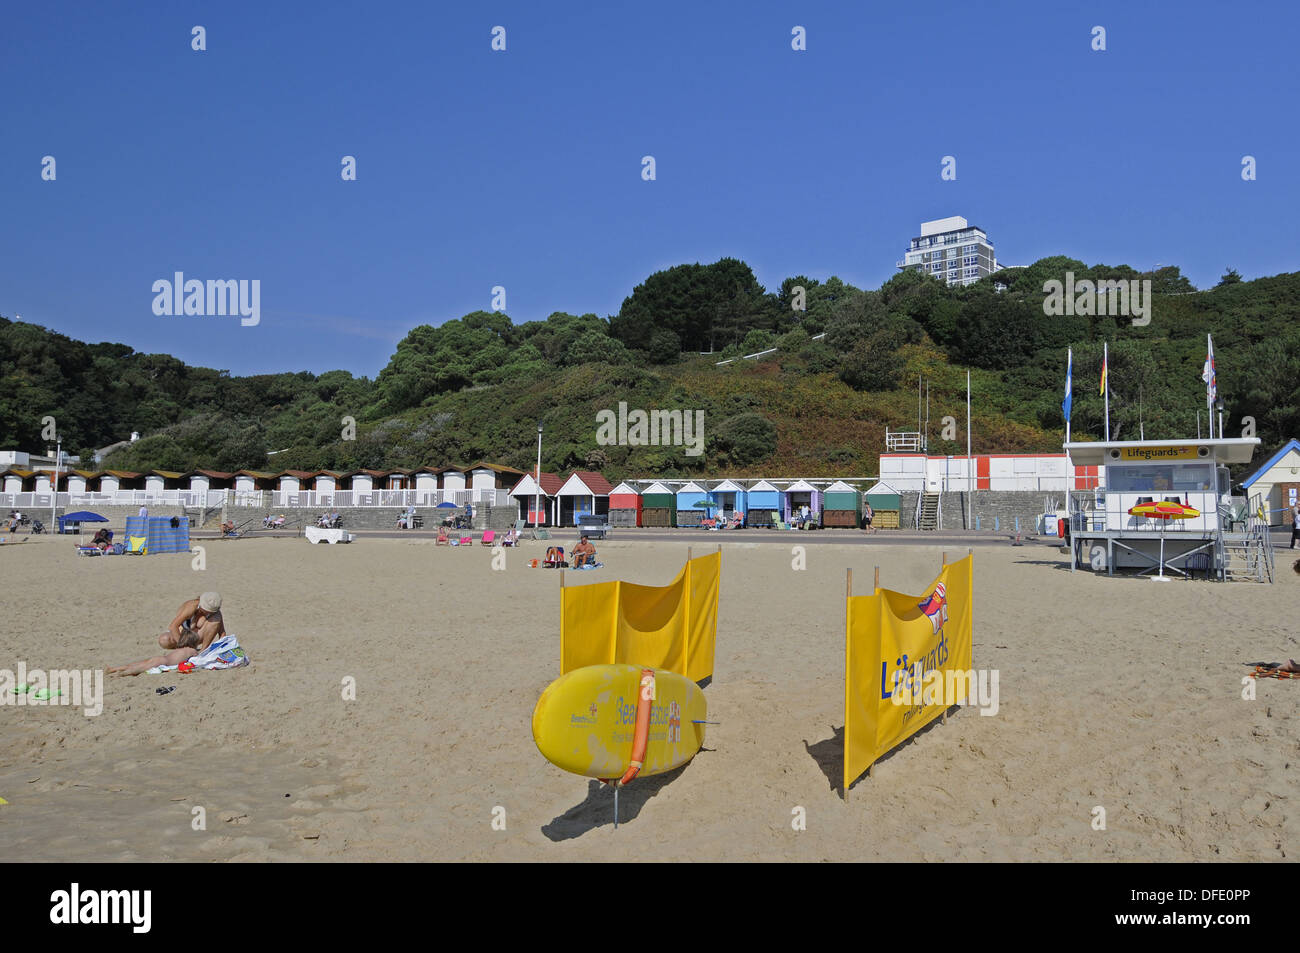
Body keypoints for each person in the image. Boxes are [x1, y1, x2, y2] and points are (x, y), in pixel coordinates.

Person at [108, 592, 226, 677]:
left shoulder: (216, 616)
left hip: (165, 658)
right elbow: (173, 626)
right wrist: (183, 646)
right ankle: (122, 673)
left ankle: (115, 669)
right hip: (170, 655)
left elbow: (222, 633)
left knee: (144, 663)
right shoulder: (193, 652)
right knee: (143, 666)